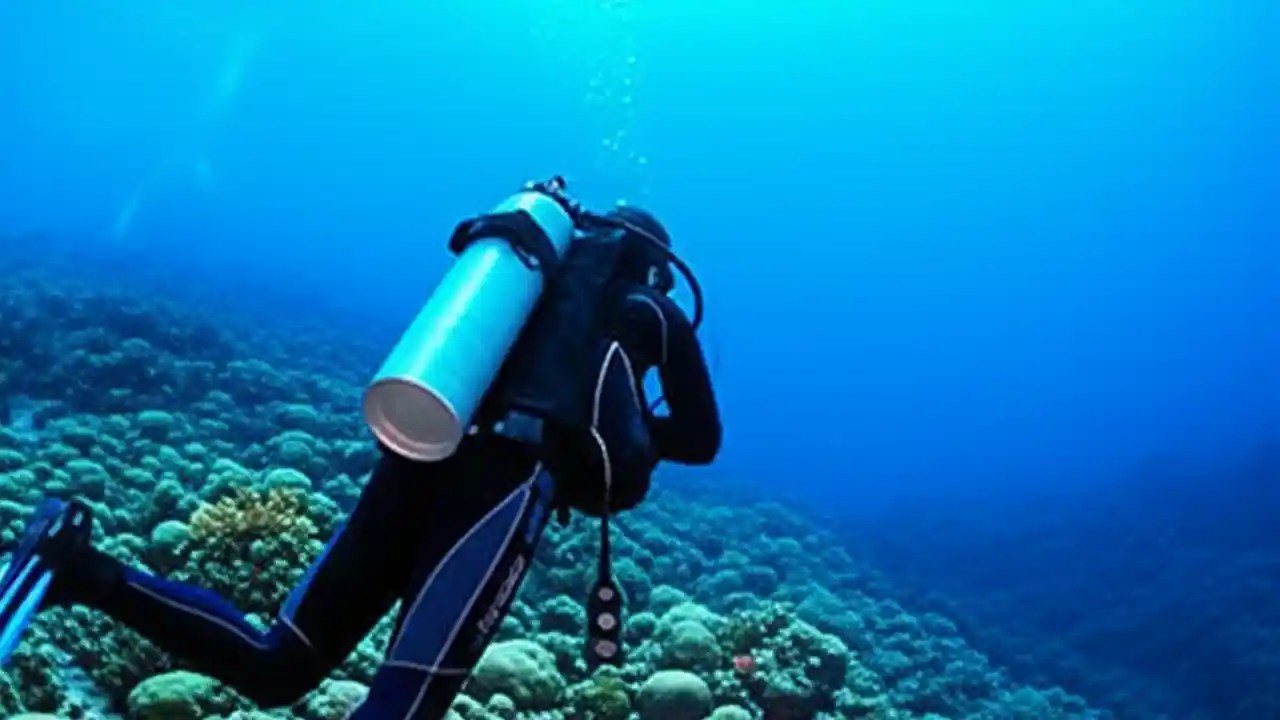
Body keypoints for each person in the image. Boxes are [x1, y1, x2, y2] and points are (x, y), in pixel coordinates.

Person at [0, 203, 721, 719]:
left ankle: (81, 569)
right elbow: (701, 439)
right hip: (507, 483)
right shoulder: (647, 311)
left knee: (282, 661)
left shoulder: (527, 288)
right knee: (406, 702)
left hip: (425, 443)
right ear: (654, 268)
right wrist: (628, 430)